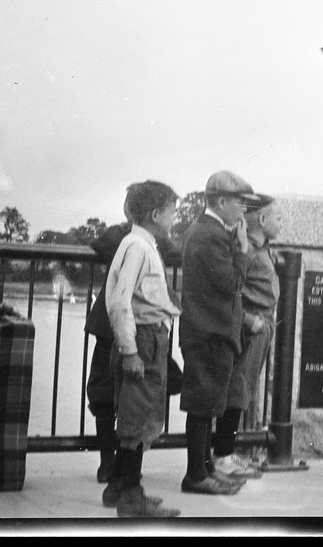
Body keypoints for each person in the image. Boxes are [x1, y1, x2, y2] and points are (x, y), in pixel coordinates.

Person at [177, 170, 264, 495]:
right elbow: (231, 283)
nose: (244, 209)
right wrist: (242, 249)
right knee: (202, 407)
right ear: (222, 201)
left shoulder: (207, 231)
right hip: (209, 333)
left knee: (209, 403)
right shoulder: (210, 235)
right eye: (240, 202)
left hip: (211, 331)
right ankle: (195, 475)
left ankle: (206, 469)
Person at [99, 180, 182, 518]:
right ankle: (132, 497)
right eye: (171, 212)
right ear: (154, 214)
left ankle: (119, 484)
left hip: (149, 337)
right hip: (143, 339)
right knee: (139, 417)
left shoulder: (140, 243)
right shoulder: (138, 247)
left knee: (141, 411)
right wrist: (130, 350)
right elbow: (120, 302)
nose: (174, 218)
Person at [84, 224, 182, 485]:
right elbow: (175, 252)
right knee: (136, 396)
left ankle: (111, 465)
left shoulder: (118, 237)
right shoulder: (144, 242)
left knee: (105, 394)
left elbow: (99, 243)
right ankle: (120, 471)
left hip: (111, 326)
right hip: (130, 328)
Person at [209, 196, 283, 480]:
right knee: (236, 389)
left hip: (260, 324)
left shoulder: (261, 249)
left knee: (243, 388)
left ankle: (226, 453)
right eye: (278, 219)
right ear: (262, 221)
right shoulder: (247, 250)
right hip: (249, 324)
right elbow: (228, 291)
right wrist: (248, 320)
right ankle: (222, 456)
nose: (282, 225)